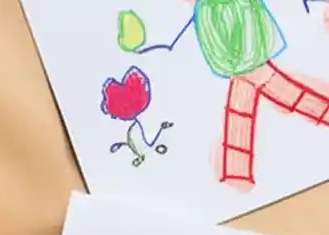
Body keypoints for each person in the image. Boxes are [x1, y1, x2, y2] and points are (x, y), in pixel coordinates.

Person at [126, 0, 329, 185]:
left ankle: (236, 169)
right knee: (256, 86)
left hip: (238, 22)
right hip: (222, 24)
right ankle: (235, 169)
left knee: (264, 83)